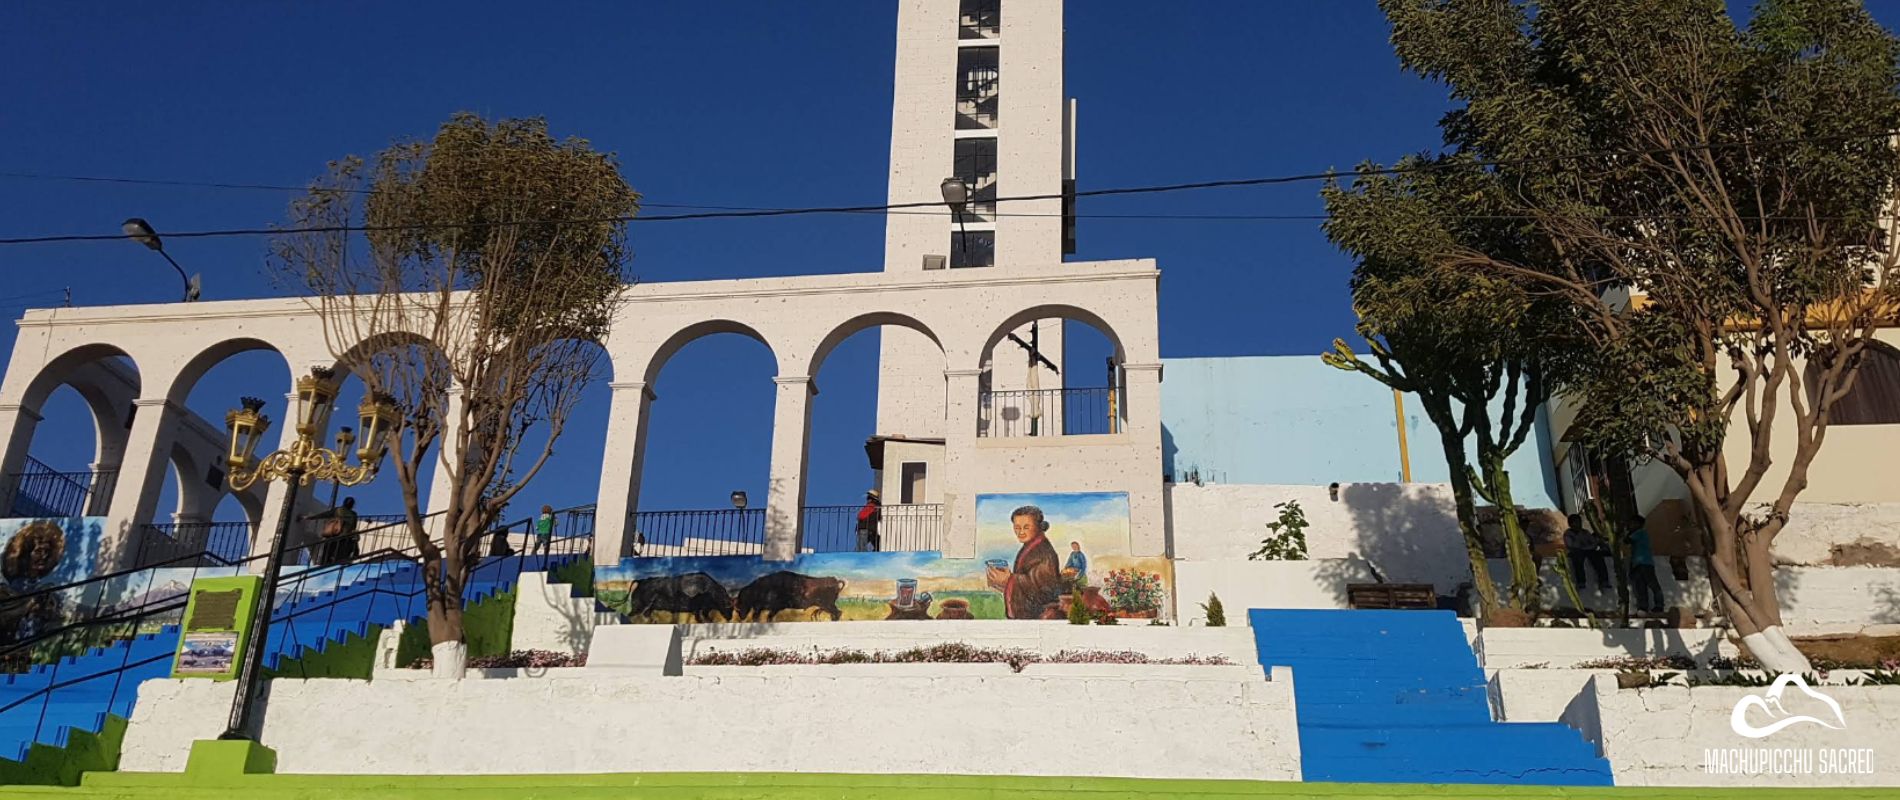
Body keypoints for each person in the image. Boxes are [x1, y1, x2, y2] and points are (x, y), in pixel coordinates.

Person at [985, 505, 1064, 619]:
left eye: (1026, 527)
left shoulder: (1044, 551)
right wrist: (1005, 583)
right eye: (1017, 527)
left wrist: (1009, 580)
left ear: (1038, 527)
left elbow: (1042, 588)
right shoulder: (1030, 546)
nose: (1020, 532)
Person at [304, 497, 359, 567]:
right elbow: (353, 527)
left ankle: (324, 565)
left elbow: (325, 514)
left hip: (334, 535)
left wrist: (310, 517)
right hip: (345, 538)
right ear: (352, 505)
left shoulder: (338, 510)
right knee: (340, 557)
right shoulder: (354, 514)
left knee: (327, 554)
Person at [1626, 515, 1665, 614]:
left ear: (1638, 524)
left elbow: (1626, 540)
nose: (1630, 525)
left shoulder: (1640, 532)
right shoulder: (1639, 534)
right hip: (1638, 564)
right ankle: (1643, 607)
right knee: (1641, 586)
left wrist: (1625, 532)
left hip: (1644, 563)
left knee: (1652, 584)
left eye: (1632, 523)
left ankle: (1658, 605)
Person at [1563, 514, 1610, 591]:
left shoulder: (1585, 532)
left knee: (1598, 557)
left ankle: (1604, 580)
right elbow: (1571, 545)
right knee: (1577, 559)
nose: (1579, 524)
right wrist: (1583, 545)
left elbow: (1593, 543)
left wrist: (1587, 546)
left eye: (1579, 522)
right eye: (1576, 522)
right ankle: (1581, 582)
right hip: (1576, 552)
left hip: (1588, 550)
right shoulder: (1568, 534)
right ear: (1570, 524)